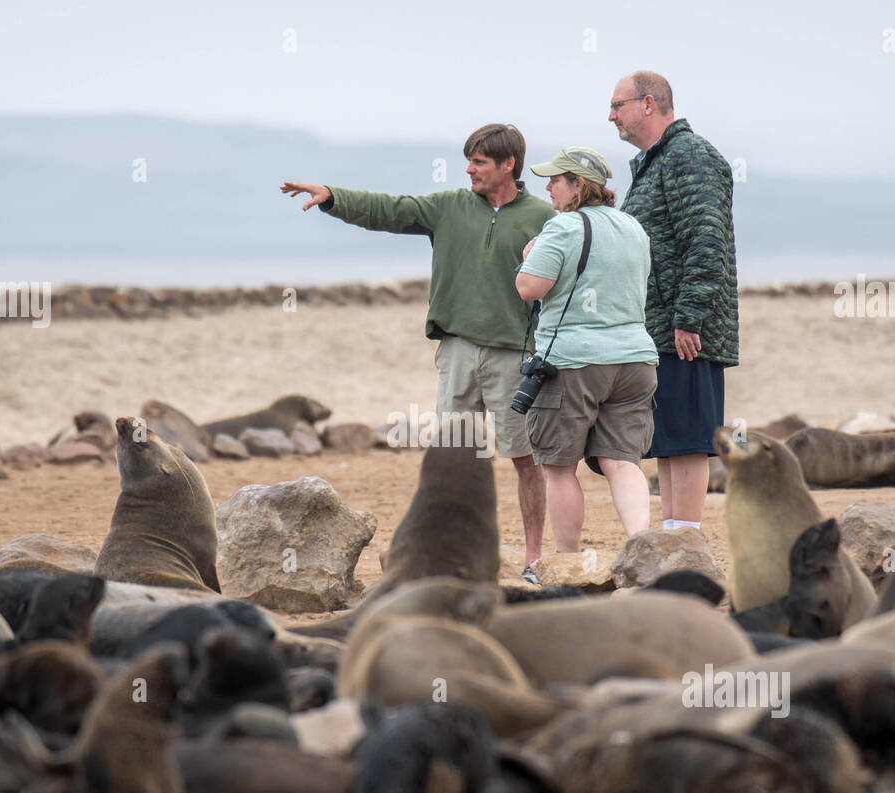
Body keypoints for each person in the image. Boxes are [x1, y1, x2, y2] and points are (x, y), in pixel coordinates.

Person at [281, 125, 555, 583]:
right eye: (468, 160)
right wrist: (331, 197)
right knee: (453, 453)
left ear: (508, 165)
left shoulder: (544, 217)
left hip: (516, 353)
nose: (469, 169)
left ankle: (533, 558)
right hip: (458, 350)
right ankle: (450, 547)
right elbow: (387, 210)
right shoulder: (448, 208)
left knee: (525, 458)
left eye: (479, 162)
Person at [610, 71, 739, 532]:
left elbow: (707, 241)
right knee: (666, 439)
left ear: (648, 103)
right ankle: (672, 538)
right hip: (658, 328)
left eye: (617, 105)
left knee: (686, 437)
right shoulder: (654, 162)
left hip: (686, 331)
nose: (612, 116)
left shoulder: (689, 156)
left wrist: (689, 318)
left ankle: (685, 539)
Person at [514, 147, 658, 554]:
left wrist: (528, 258)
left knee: (558, 469)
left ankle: (567, 560)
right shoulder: (633, 227)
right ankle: (642, 547)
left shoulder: (561, 227)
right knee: (623, 461)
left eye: (555, 180)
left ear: (578, 184)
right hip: (635, 360)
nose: (547, 187)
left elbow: (529, 288)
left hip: (573, 363)